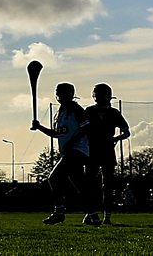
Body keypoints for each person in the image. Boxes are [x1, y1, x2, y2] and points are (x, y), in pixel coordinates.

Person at [32, 82, 92, 225]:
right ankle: (92, 213)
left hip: (77, 151)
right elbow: (56, 134)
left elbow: (86, 128)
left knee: (53, 178)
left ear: (71, 94)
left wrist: (71, 142)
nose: (59, 95)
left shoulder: (76, 109)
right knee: (79, 185)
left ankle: (59, 212)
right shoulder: (61, 113)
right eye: (58, 92)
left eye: (63, 92)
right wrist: (39, 127)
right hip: (69, 152)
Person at [84, 83, 130, 225]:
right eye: (96, 94)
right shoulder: (89, 111)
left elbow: (126, 131)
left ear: (109, 96)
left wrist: (116, 138)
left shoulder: (114, 113)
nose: (98, 97)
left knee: (107, 185)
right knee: (89, 184)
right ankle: (90, 213)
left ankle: (107, 216)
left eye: (101, 94)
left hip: (107, 151)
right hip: (92, 152)